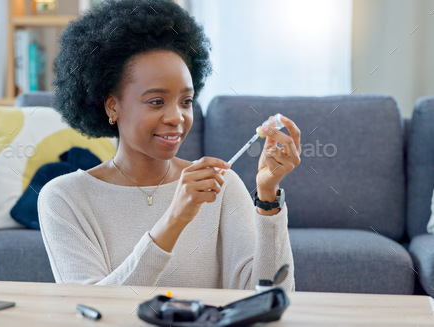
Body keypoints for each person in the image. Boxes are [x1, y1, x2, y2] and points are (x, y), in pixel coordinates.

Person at [39, 0, 300, 290]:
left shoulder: (221, 186)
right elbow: (92, 309)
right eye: (156, 102)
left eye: (185, 101)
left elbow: (269, 295)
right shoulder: (64, 198)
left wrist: (267, 196)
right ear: (113, 106)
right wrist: (175, 217)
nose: (177, 117)